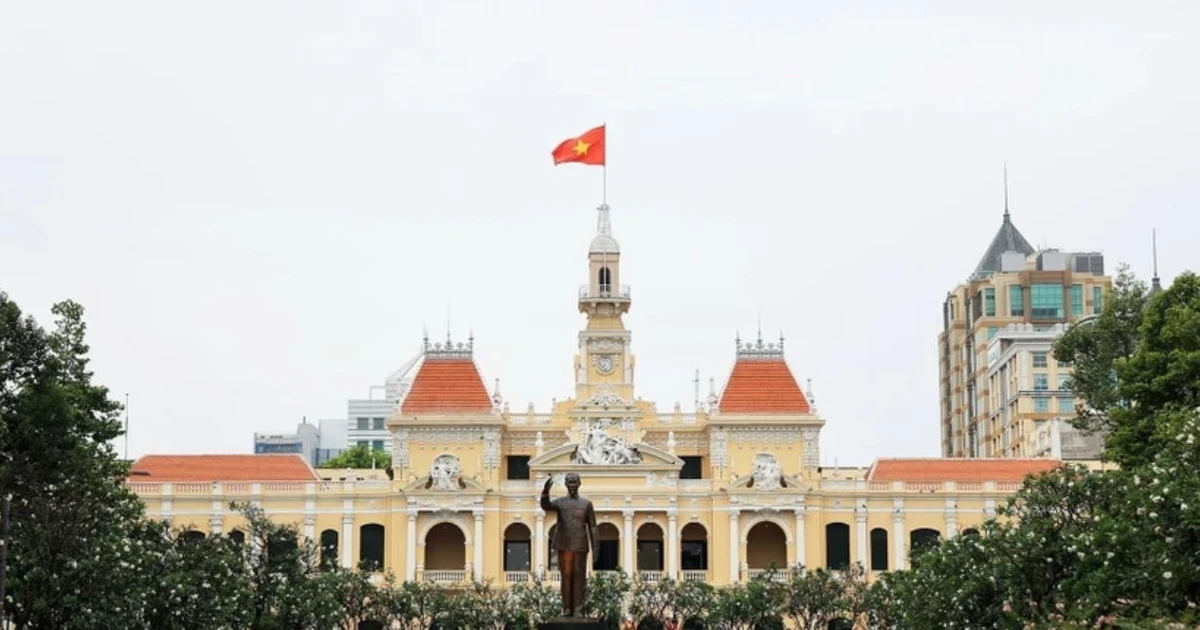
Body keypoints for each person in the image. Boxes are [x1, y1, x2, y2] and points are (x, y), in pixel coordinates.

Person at [540, 472, 597, 617]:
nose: (572, 485)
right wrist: (546, 491)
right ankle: (566, 609)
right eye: (570, 482)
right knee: (566, 577)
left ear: (579, 484)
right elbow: (546, 506)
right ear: (566, 484)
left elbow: (593, 527)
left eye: (574, 482)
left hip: (580, 544)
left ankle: (578, 609)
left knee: (579, 578)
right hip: (564, 544)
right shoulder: (560, 502)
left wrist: (596, 547)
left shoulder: (586, 504)